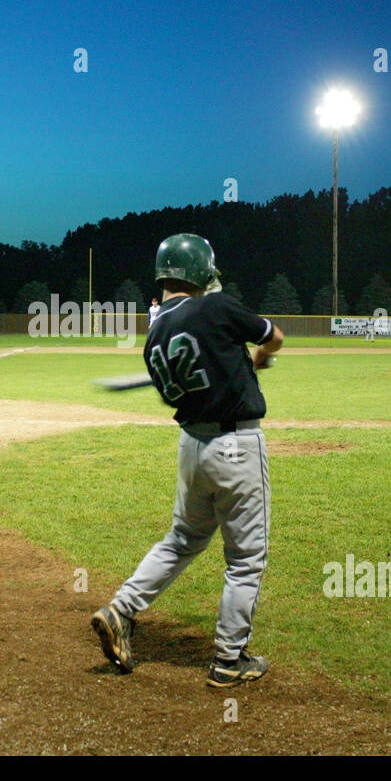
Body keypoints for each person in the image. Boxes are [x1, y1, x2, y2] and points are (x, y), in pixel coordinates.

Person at [91, 233, 283, 688]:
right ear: (201, 271)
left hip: (192, 449)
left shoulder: (154, 333)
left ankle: (121, 609)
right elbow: (274, 336)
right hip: (235, 447)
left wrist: (236, 366)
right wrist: (258, 356)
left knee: (181, 540)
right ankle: (228, 660)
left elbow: (187, 386)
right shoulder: (214, 307)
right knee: (245, 560)